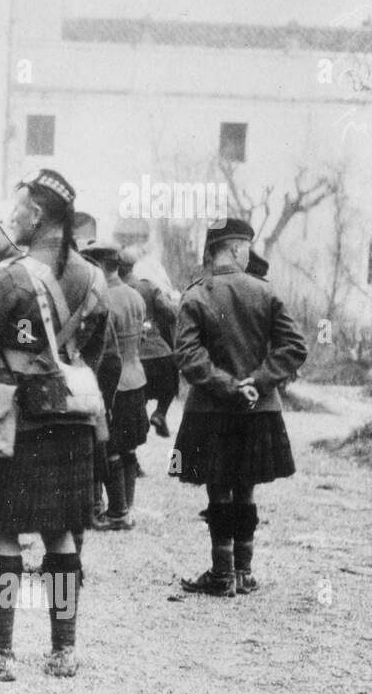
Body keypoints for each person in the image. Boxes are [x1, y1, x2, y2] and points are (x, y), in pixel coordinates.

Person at [0, 170, 109, 681]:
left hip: (14, 424)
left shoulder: (11, 275)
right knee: (61, 536)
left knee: (2, 532)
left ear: (36, 216)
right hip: (73, 422)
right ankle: (63, 652)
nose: (10, 217)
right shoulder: (95, 279)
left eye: (16, 209)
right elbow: (102, 357)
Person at [172, 218, 306, 597]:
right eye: (246, 247)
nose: (250, 255)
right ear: (233, 247)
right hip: (258, 408)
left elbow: (187, 355)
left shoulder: (196, 295)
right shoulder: (265, 292)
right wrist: (258, 382)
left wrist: (226, 386)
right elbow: (295, 347)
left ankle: (222, 573)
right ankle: (244, 571)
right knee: (245, 488)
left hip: (210, 411)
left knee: (218, 490)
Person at [82, 244, 148, 530]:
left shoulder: (103, 298)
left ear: (100, 266)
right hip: (137, 379)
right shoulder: (135, 296)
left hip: (113, 385)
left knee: (106, 447)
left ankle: (114, 510)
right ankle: (126, 507)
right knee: (129, 448)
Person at [119, 246, 180, 439]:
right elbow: (170, 314)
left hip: (131, 357)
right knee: (170, 383)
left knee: (138, 395)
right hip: (158, 353)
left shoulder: (113, 290)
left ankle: (142, 417)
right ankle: (160, 412)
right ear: (133, 266)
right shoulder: (148, 286)